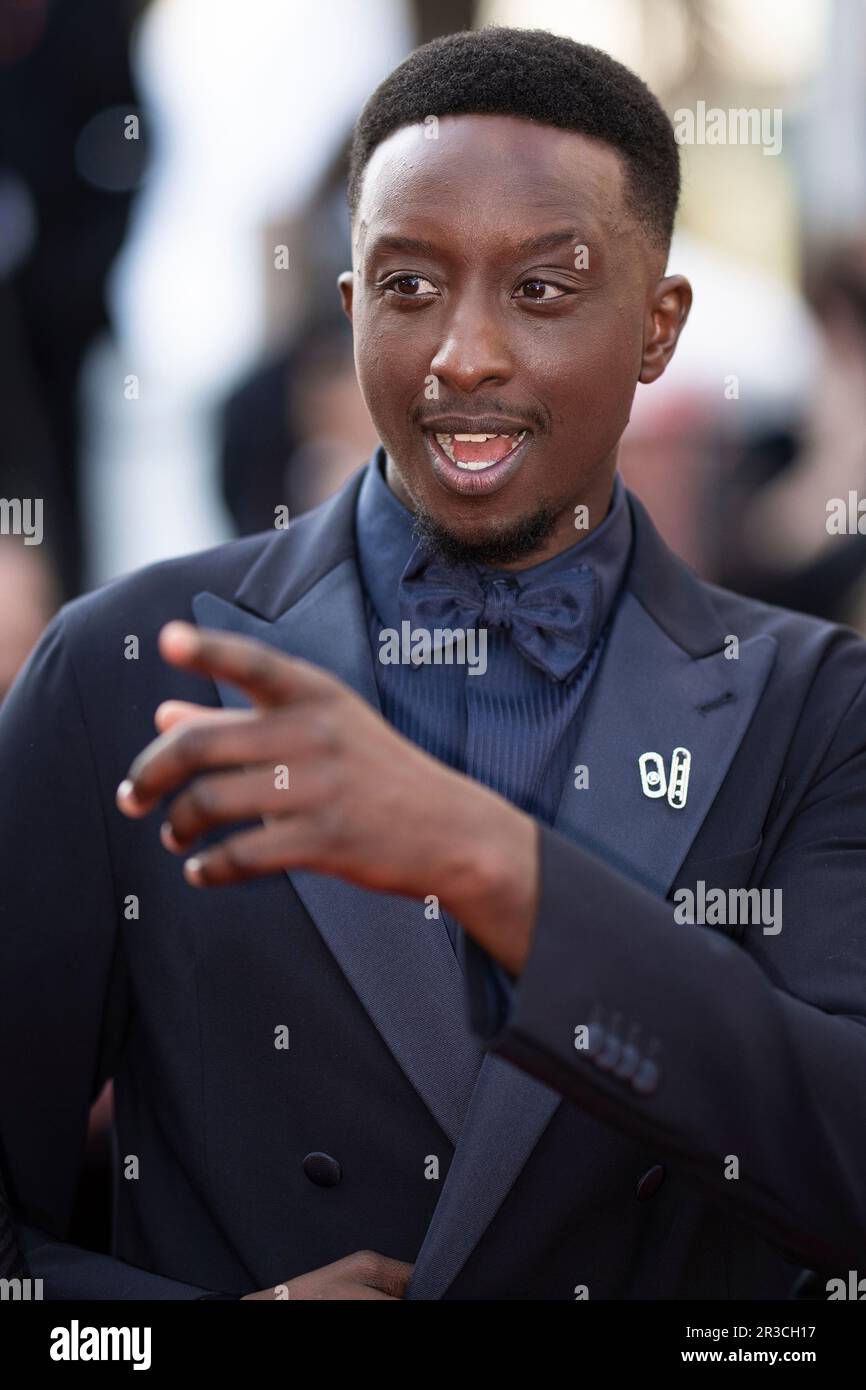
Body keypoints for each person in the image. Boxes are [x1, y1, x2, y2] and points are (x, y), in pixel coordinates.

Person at [2, 27, 866, 1302]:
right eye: (409, 287)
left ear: (658, 327)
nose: (464, 353)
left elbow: (841, 1167)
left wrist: (491, 866)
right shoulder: (122, 667)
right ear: (350, 306)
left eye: (543, 288)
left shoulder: (815, 706)